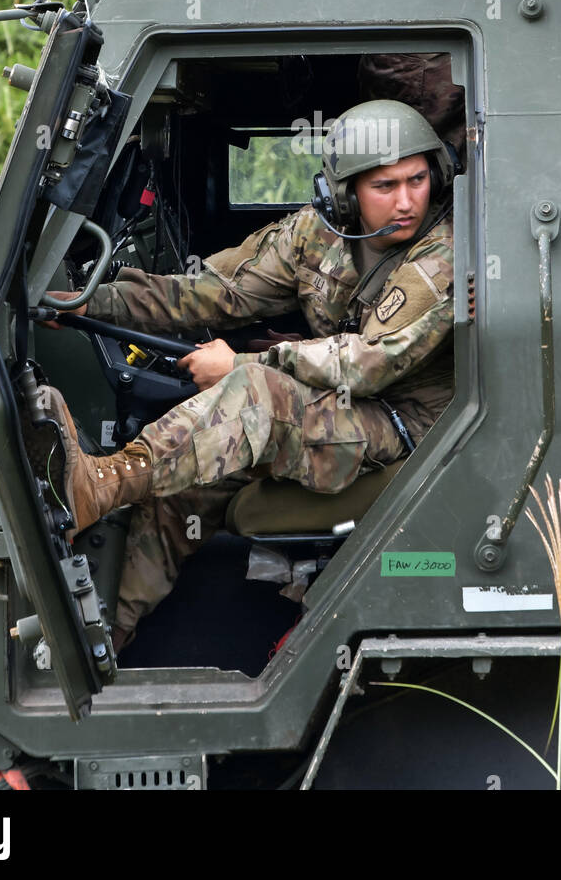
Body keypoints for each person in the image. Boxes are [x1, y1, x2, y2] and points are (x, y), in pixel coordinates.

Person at [37, 100, 455, 646]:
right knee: (182, 477)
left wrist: (242, 364)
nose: (406, 202)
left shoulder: (441, 255)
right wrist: (94, 305)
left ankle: (101, 484)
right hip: (336, 411)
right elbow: (210, 294)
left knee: (254, 395)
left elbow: (369, 366)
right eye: (385, 186)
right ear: (345, 194)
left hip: (406, 428)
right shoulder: (318, 234)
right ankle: (103, 647)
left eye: (417, 179)